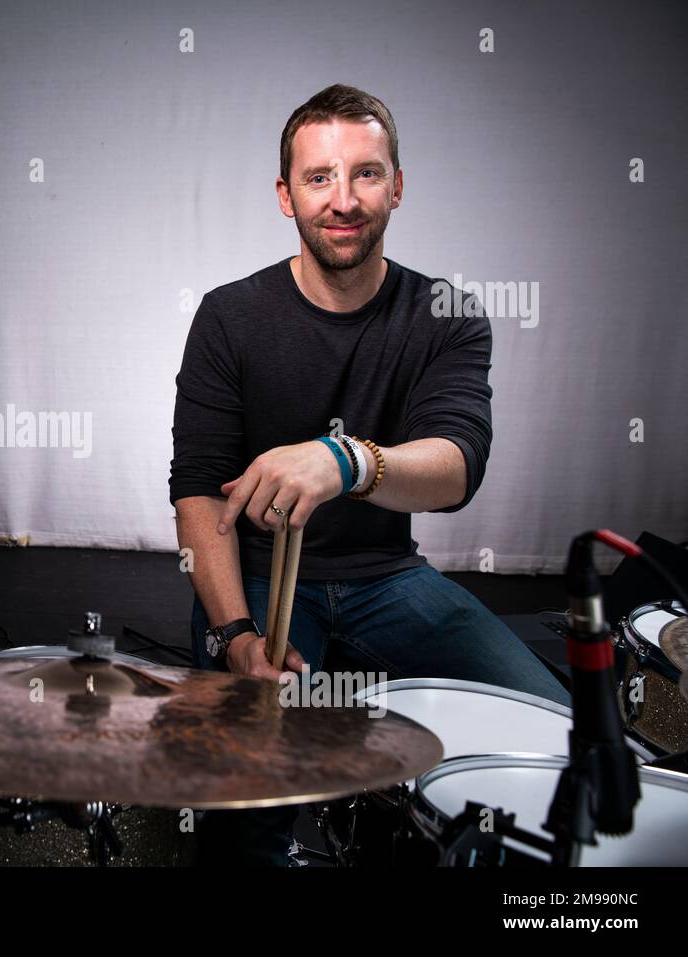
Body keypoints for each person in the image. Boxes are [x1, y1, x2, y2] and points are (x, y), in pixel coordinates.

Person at [168, 83, 569, 865]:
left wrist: (347, 459)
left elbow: (456, 467)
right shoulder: (228, 316)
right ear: (285, 195)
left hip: (390, 578)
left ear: (398, 184)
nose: (343, 199)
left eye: (366, 173)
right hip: (259, 577)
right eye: (318, 177)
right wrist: (237, 634)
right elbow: (197, 494)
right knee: (250, 805)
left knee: (557, 733)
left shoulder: (445, 311)